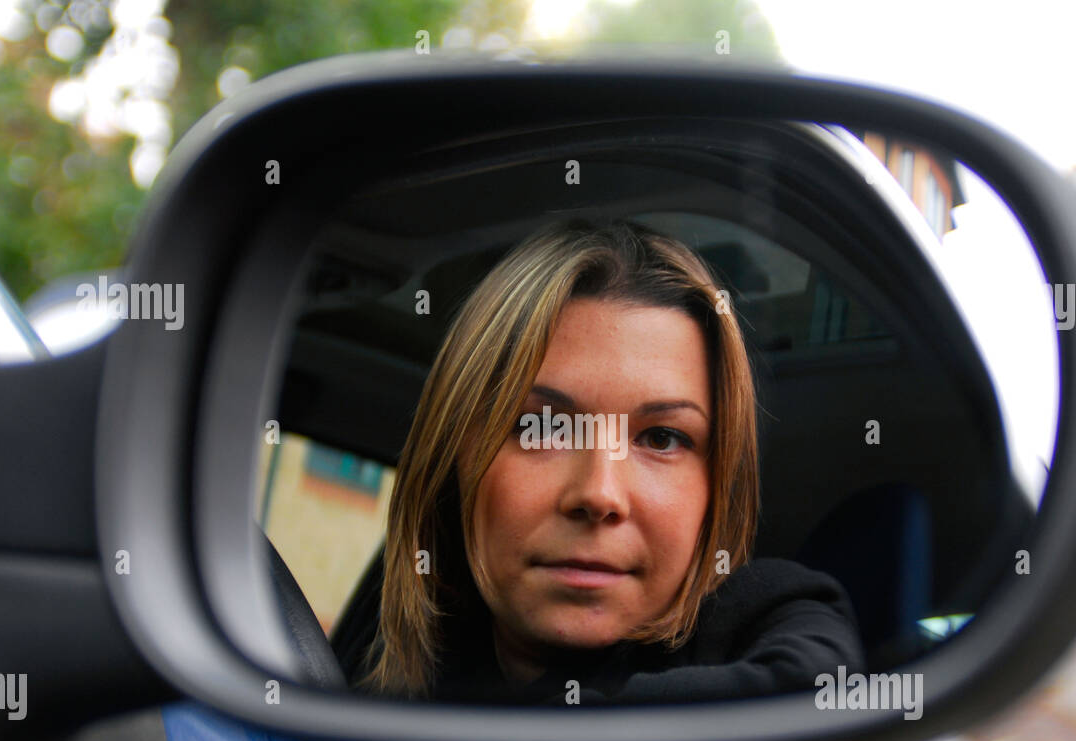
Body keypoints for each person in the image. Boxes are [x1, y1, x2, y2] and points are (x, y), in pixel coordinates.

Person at [351, 218, 863, 705]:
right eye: (544, 427)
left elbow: (810, 686)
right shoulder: (392, 676)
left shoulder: (761, 617)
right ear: (453, 459)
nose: (599, 494)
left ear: (717, 489)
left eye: (661, 438)